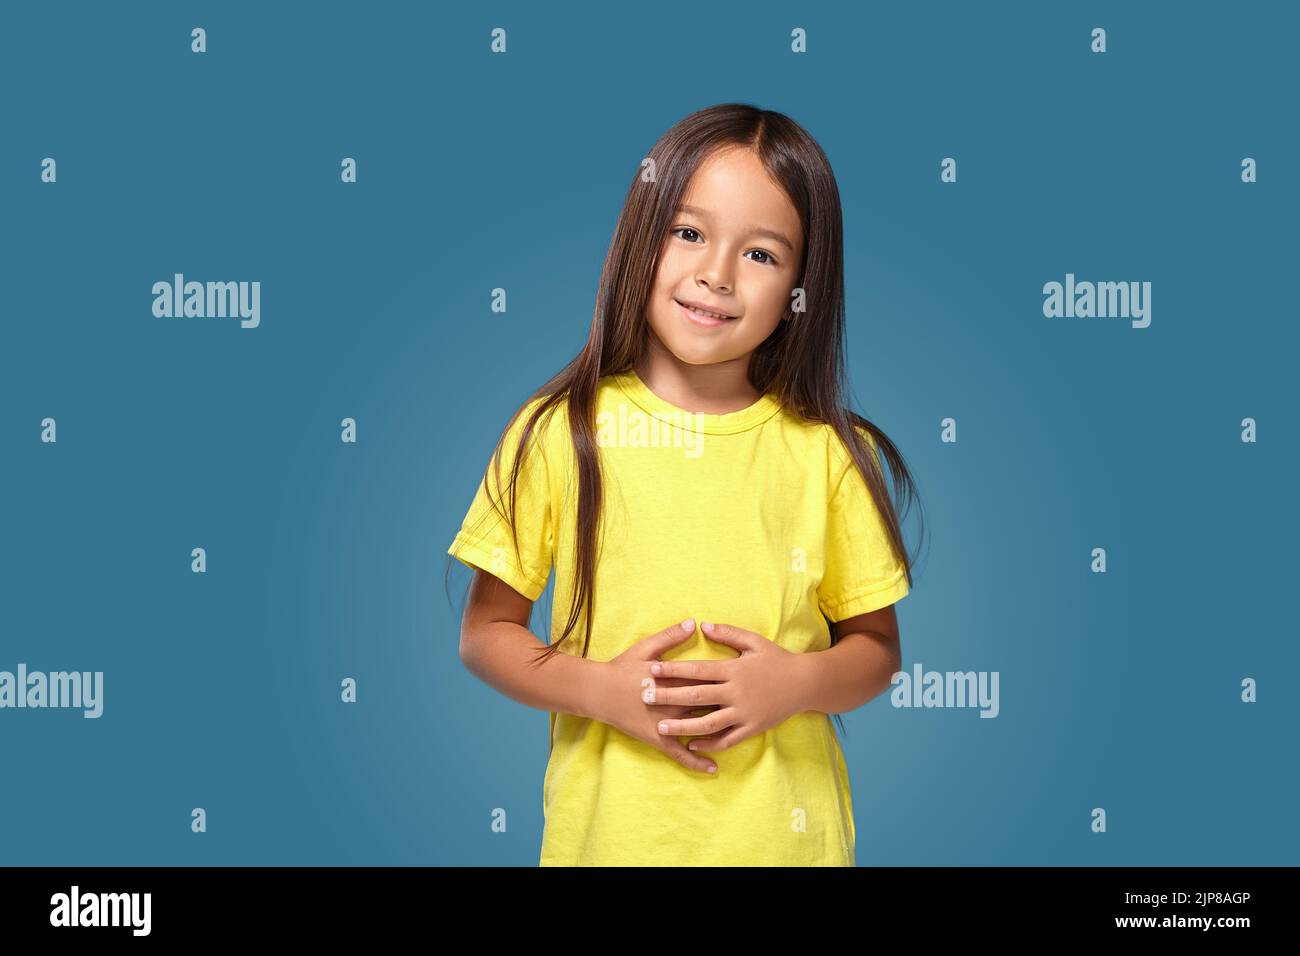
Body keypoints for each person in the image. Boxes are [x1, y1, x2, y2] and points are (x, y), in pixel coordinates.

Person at [446, 102, 925, 866]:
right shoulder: (560, 433)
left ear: (803, 286)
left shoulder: (830, 453)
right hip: (610, 843)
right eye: (690, 233)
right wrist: (600, 690)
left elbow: (875, 650)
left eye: (762, 254)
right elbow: (484, 636)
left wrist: (795, 684)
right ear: (644, 233)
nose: (716, 274)